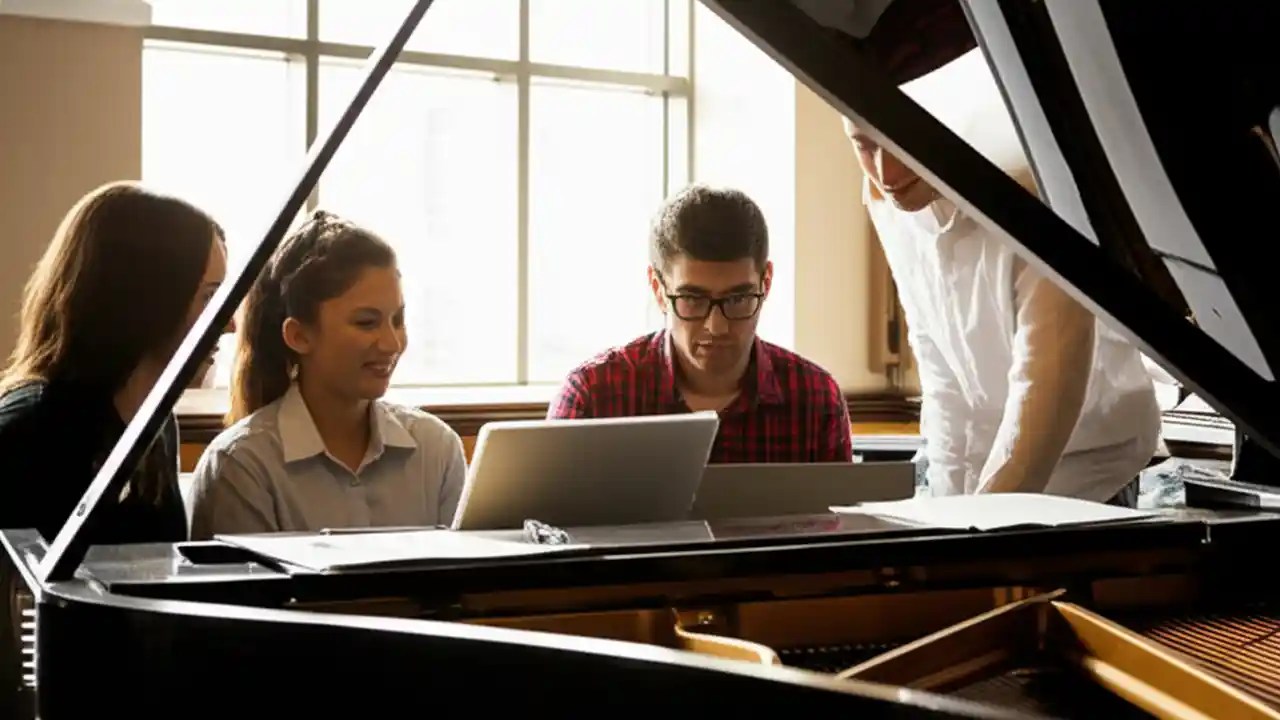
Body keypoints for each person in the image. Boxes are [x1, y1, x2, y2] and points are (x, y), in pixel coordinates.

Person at [840, 112, 1162, 505]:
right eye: (863, 145)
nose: (885, 172)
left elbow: (1042, 390)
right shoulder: (883, 198)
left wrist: (973, 533)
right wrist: (945, 505)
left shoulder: (1031, 196)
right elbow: (936, 358)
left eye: (895, 142)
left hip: (1089, 472)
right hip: (984, 467)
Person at [188, 210, 465, 539]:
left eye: (398, 320)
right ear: (299, 336)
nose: (392, 343)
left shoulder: (437, 450)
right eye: (366, 322)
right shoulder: (242, 466)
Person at [547, 184, 853, 463]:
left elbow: (848, 522)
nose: (716, 327)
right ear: (658, 288)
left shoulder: (815, 398)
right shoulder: (593, 397)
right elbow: (546, 521)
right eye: (693, 299)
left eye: (737, 299)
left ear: (766, 282)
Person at [0, 180, 232, 544]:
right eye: (208, 297)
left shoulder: (155, 423)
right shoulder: (25, 435)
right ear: (147, 301)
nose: (230, 323)